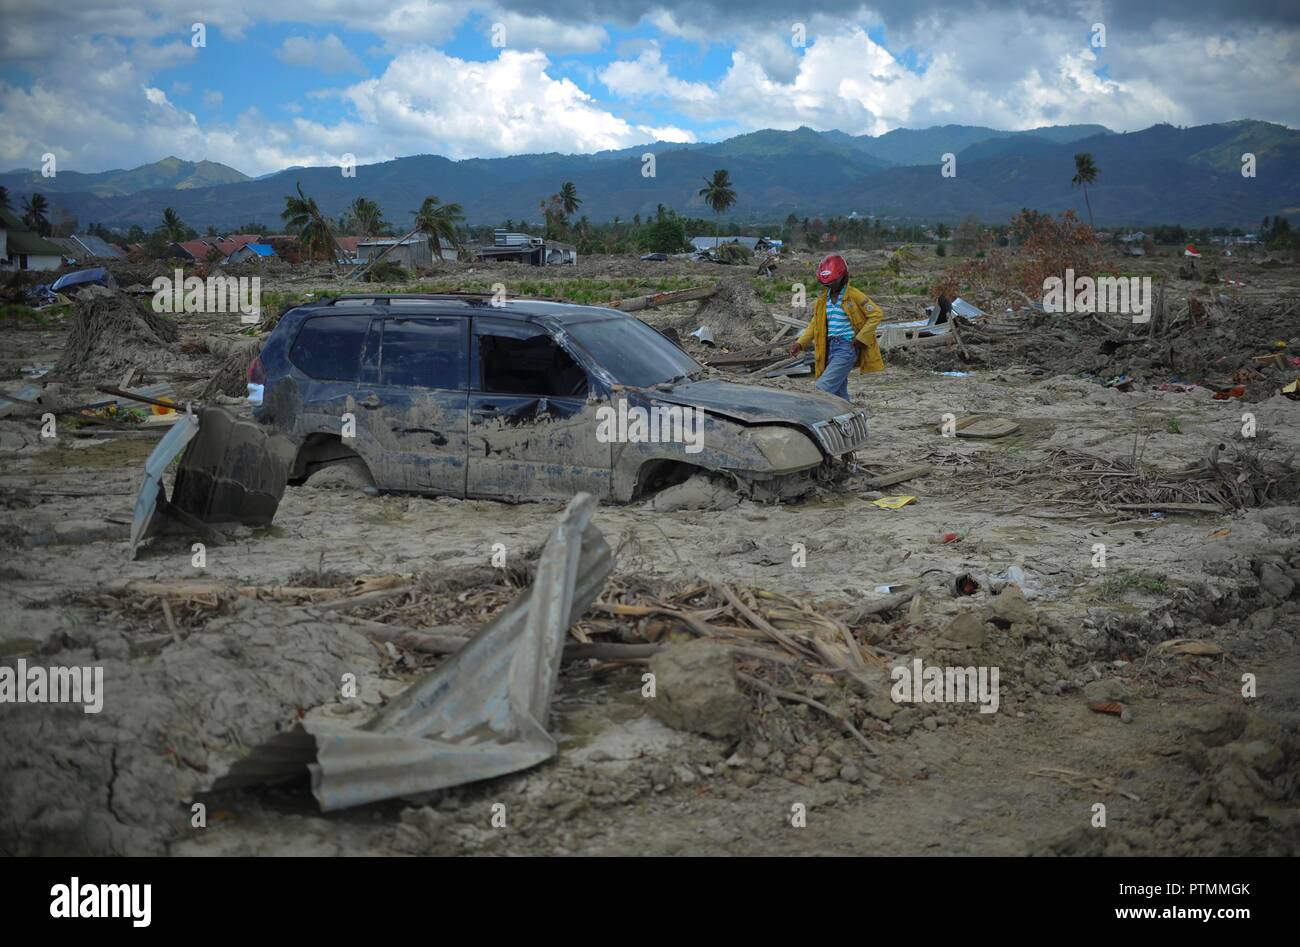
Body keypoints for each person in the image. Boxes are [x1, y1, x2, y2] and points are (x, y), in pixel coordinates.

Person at [790, 253, 885, 401]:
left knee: (822, 389)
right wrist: (800, 343)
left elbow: (876, 314)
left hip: (846, 348)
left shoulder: (853, 295)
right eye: (826, 284)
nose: (829, 286)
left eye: (833, 283)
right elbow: (815, 324)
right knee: (838, 394)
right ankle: (849, 420)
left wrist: (861, 338)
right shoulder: (823, 300)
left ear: (842, 278)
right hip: (829, 348)